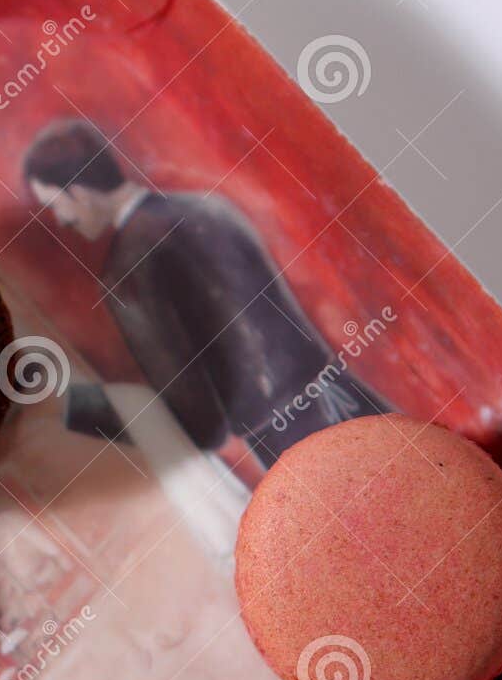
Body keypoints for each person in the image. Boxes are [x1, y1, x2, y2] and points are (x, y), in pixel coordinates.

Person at [23, 118, 385, 466]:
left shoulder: (125, 273)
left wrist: (84, 409)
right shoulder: (209, 207)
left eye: (56, 205)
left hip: (294, 444)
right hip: (351, 398)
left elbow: (201, 425)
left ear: (79, 191)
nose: (62, 220)